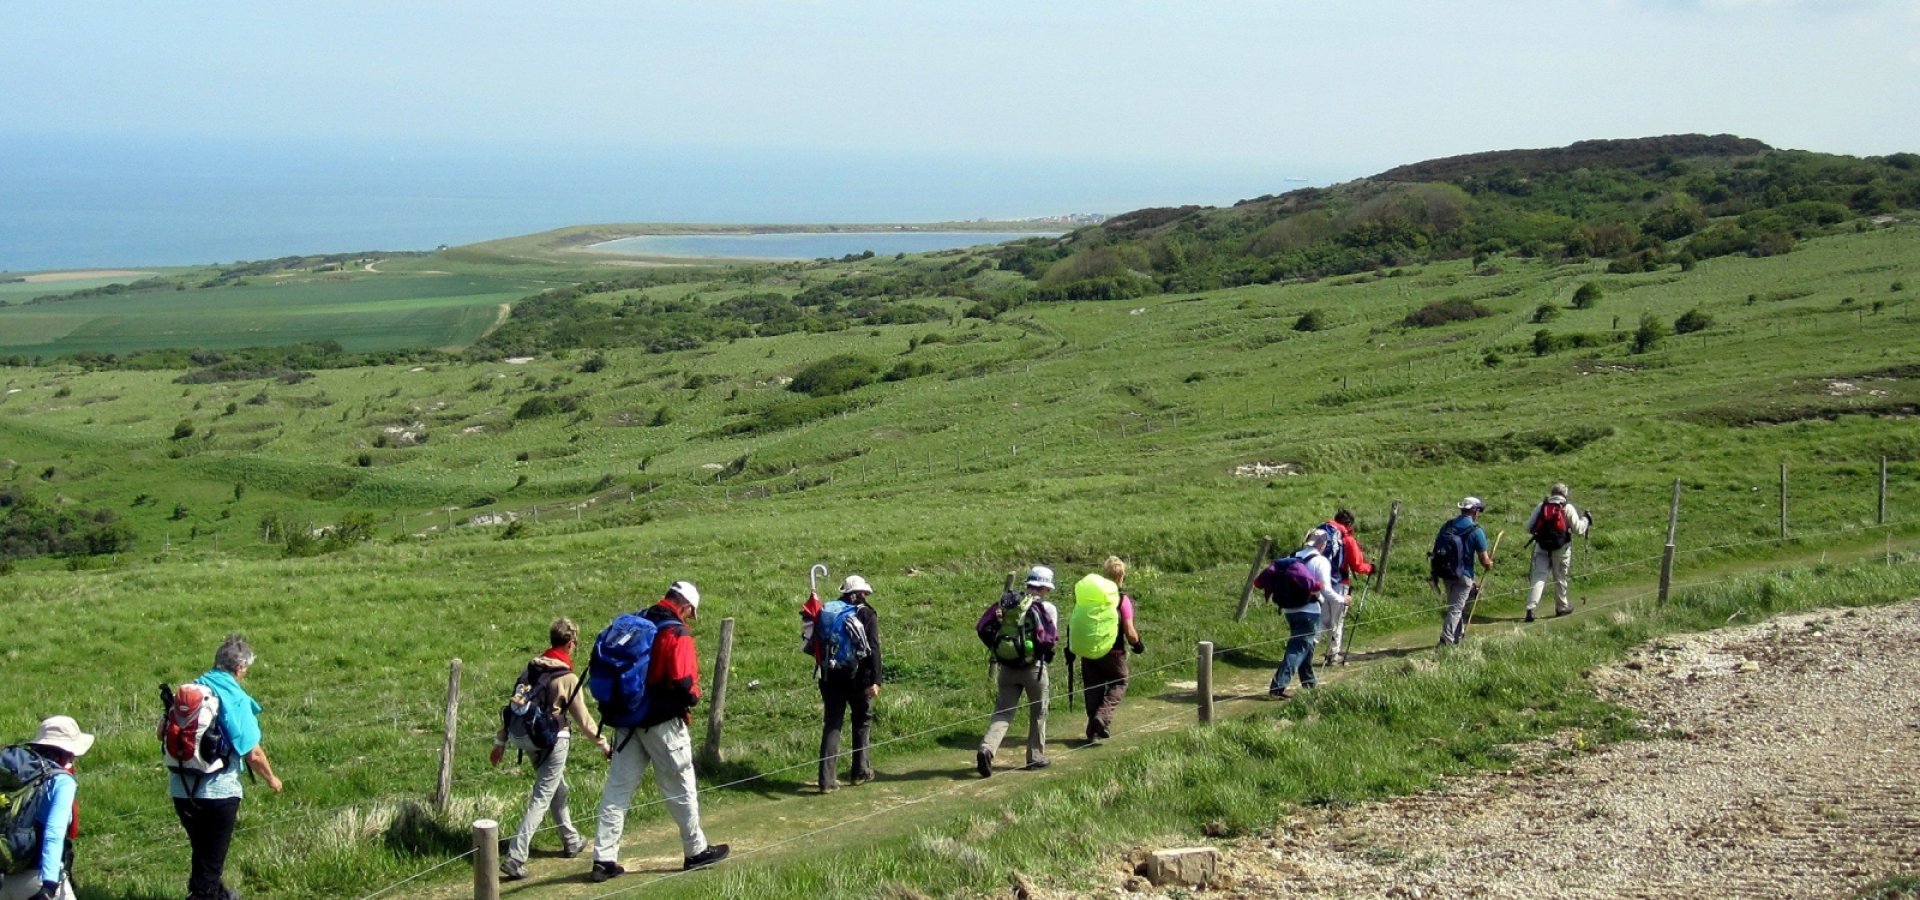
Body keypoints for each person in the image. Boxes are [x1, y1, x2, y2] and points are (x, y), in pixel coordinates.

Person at [590, 582, 729, 883]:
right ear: (685, 606)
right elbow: (684, 685)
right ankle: (695, 850)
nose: (690, 618)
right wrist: (695, 693)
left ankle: (603, 859)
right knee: (681, 785)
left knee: (617, 791)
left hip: (627, 721)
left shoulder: (637, 621)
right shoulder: (676, 633)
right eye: (691, 612)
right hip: (663, 724)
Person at [490, 618, 613, 881]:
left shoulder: (532, 669)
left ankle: (570, 840)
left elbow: (513, 705)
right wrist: (603, 744)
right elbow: (584, 721)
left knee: (559, 789)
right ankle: (515, 856)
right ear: (570, 644)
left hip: (527, 739)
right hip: (554, 740)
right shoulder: (566, 677)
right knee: (542, 797)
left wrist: (500, 742)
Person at [170, 634, 284, 900]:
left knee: (204, 856)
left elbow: (161, 733)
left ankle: (219, 894)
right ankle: (205, 894)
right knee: (209, 865)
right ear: (240, 668)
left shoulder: (190, 692)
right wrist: (272, 779)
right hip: (218, 793)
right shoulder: (235, 698)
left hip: (181, 789)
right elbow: (253, 753)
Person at [974, 566, 1060, 777]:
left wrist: (997, 650)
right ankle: (1035, 757)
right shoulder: (1047, 608)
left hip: (1007, 668)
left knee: (1003, 712)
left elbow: (983, 627)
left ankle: (987, 749)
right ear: (1046, 587)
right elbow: (1049, 640)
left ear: (1029, 584)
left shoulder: (1008, 603)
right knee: (1038, 712)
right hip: (1034, 669)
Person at [0, 717, 93, 900]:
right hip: (35, 878)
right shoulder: (60, 781)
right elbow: (53, 832)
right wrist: (49, 885)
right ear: (69, 752)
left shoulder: (10, 773)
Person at [812, 575, 883, 793]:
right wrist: (876, 680)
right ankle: (860, 772)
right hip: (858, 678)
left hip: (829, 675)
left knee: (832, 725)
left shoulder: (829, 612)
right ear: (860, 593)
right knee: (862, 722)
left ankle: (826, 781)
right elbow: (874, 649)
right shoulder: (867, 614)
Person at [1066, 557, 1143, 743]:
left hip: (1087, 649)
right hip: (1113, 651)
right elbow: (1130, 632)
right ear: (1121, 576)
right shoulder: (1122, 599)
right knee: (1120, 681)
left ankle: (1092, 732)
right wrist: (1138, 644)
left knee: (1093, 687)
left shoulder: (1089, 597)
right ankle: (1103, 716)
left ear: (1104, 574)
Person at [1268, 530, 1340, 699]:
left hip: (1290, 609)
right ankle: (1277, 687)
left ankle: (1309, 683)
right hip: (1310, 610)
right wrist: (1343, 599)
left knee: (1305, 647)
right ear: (1322, 545)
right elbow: (1327, 590)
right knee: (1298, 648)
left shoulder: (1293, 556)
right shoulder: (1321, 561)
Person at [1523, 483, 1592, 622]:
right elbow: (1578, 529)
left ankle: (1531, 608)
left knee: (1539, 577)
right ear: (1565, 494)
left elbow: (1528, 527)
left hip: (1541, 547)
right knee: (1560, 577)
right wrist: (1586, 520)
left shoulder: (1542, 506)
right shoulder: (1567, 507)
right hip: (1561, 548)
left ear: (1552, 492)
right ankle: (1561, 607)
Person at [1435, 498, 1496, 645]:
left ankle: (1458, 636)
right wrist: (1490, 564)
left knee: (1455, 605)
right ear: (1474, 511)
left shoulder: (1448, 525)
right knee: (1456, 609)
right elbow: (1484, 560)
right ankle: (1447, 640)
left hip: (1445, 572)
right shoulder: (1477, 530)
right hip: (1464, 575)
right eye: (1479, 511)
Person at [1319, 509, 1375, 665]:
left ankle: (1307, 649)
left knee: (1323, 620)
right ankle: (1333, 655)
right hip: (1339, 583)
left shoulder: (1324, 533)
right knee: (1337, 620)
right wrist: (1370, 568)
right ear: (1349, 524)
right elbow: (1357, 565)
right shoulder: (1347, 539)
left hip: (1320, 583)